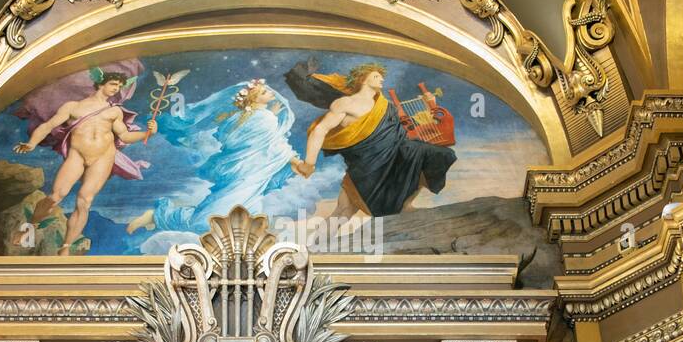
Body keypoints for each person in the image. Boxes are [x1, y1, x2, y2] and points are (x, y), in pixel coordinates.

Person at [127, 79, 302, 235]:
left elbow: (257, 142)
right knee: (208, 222)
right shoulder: (265, 119)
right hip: (246, 171)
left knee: (245, 219)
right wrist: (295, 161)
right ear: (254, 98)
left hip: (248, 172)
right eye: (264, 92)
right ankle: (157, 217)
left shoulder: (243, 117)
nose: (271, 92)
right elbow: (273, 144)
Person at [285, 60, 455, 216]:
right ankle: (314, 246)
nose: (381, 79)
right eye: (376, 76)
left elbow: (408, 127)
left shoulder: (384, 105)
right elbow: (320, 130)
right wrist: (309, 163)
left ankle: (405, 205)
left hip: (395, 157)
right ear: (363, 79)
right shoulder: (345, 103)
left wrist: (429, 104)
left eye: (381, 76)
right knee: (343, 213)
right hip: (367, 166)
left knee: (434, 154)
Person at [15, 70, 158, 254]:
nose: (117, 89)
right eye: (113, 84)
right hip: (77, 155)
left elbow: (124, 135)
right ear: (101, 84)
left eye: (120, 86)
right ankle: (32, 225)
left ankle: (65, 248)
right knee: (56, 195)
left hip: (103, 157)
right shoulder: (73, 107)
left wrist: (147, 133)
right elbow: (48, 126)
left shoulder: (114, 111)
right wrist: (31, 143)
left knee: (84, 201)